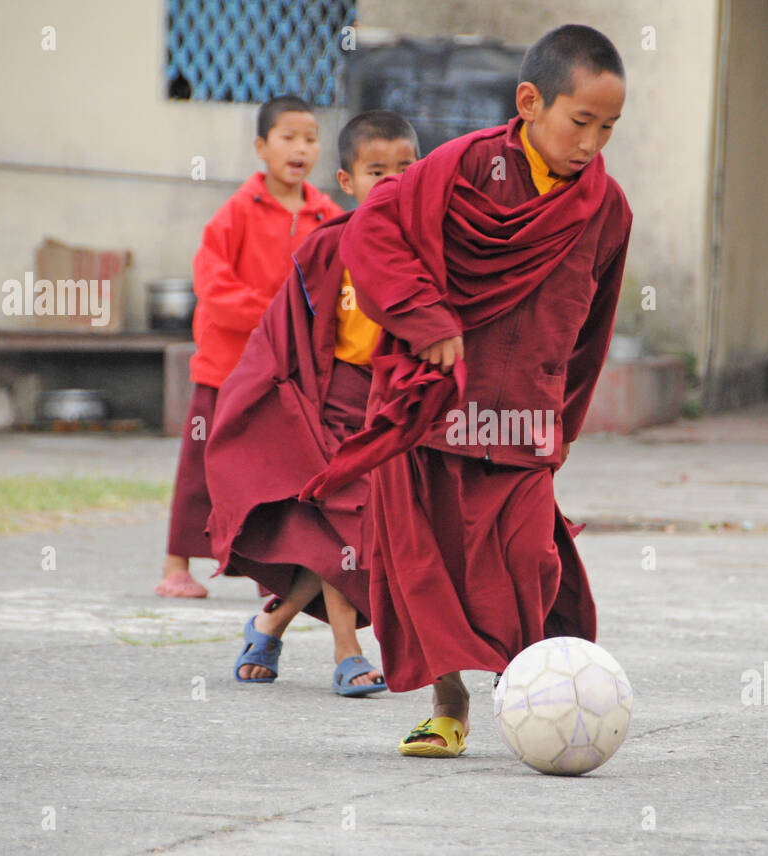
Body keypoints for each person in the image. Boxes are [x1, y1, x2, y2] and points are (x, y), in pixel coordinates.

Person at [316, 24, 632, 754]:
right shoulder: (460, 169)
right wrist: (423, 317)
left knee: (530, 562)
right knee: (431, 566)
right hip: (435, 407)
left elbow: (595, 325)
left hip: (523, 418)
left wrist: (569, 420)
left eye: (608, 128)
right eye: (579, 121)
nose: (590, 144)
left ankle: (527, 699)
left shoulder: (604, 208)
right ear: (529, 101)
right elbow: (373, 232)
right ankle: (449, 701)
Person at [204, 111, 420, 694]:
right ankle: (347, 652)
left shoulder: (428, 250)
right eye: (378, 171)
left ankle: (270, 622)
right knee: (347, 525)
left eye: (407, 168)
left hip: (391, 407)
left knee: (352, 532)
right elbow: (284, 339)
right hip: (332, 403)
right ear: (347, 183)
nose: (394, 181)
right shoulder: (331, 248)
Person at [156, 96, 343, 598]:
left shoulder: (327, 217)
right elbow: (214, 288)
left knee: (277, 474)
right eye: (288, 137)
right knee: (201, 466)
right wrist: (277, 314)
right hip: (225, 368)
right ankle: (178, 565)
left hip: (287, 376)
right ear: (262, 147)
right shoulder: (235, 213)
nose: (300, 147)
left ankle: (273, 572)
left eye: (310, 137)